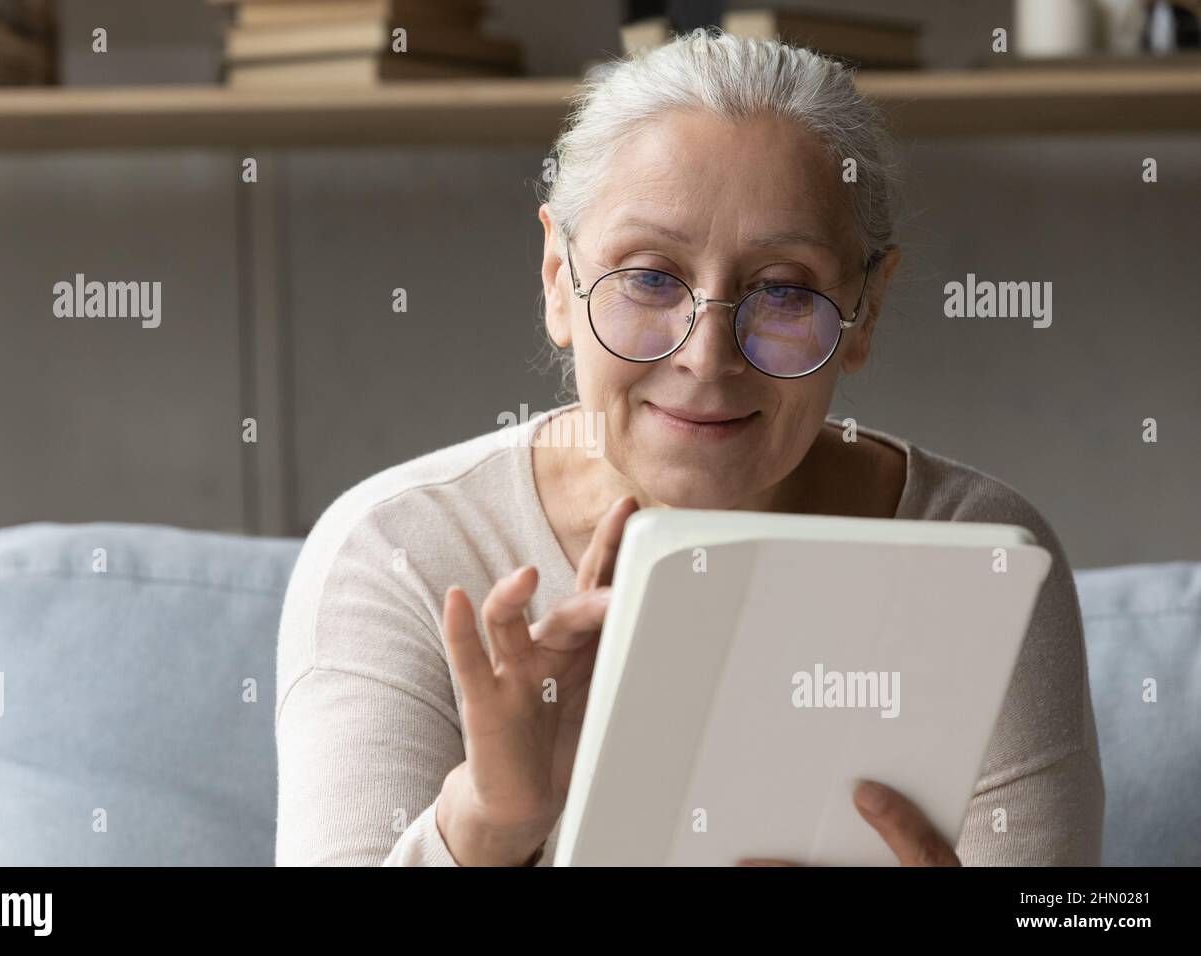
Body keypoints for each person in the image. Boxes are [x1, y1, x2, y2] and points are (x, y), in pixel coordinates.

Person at [274, 29, 1103, 867]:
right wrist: (490, 825)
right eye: (650, 277)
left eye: (782, 290)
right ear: (560, 280)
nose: (707, 357)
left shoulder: (978, 558)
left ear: (867, 312)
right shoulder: (397, 554)